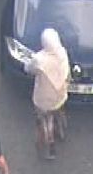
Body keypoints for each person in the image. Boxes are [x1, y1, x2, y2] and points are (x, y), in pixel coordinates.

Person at [23, 28, 69, 159]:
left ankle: (50, 146)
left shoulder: (39, 59)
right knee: (57, 111)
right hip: (59, 95)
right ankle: (61, 130)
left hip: (43, 99)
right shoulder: (62, 53)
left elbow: (28, 69)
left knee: (45, 120)